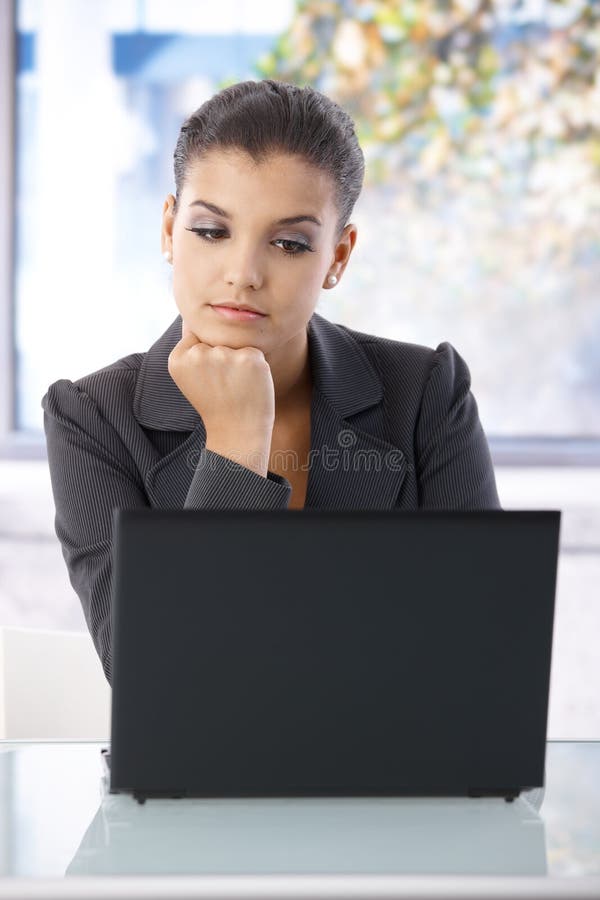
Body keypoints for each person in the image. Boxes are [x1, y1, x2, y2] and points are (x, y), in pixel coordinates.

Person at [42, 79, 500, 685]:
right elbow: (157, 679)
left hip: (400, 776)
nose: (243, 274)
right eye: (211, 231)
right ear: (168, 231)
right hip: (201, 780)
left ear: (337, 257)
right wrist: (236, 442)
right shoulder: (93, 418)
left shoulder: (426, 395)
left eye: (288, 243)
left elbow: (486, 656)